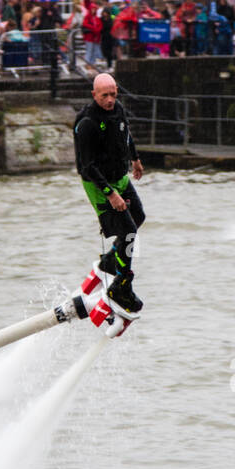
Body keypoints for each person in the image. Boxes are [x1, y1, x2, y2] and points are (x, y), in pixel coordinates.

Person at [73, 73, 145, 315]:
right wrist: (111, 195)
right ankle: (121, 285)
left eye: (114, 94)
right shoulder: (87, 123)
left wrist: (135, 159)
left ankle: (111, 261)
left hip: (119, 176)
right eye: (105, 95)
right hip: (99, 183)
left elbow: (126, 136)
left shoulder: (118, 109)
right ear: (94, 95)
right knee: (128, 232)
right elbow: (87, 167)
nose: (110, 99)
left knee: (139, 217)